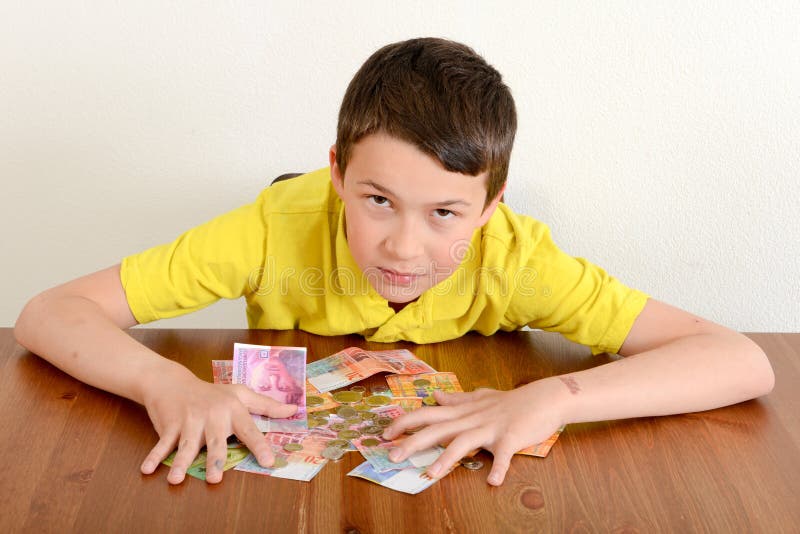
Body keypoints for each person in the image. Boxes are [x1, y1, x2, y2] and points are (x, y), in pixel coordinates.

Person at [14, 37, 774, 487]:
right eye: (376, 200)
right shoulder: (272, 229)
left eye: (444, 213)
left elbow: (741, 362)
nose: (405, 247)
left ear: (491, 204)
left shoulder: (517, 259)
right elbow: (47, 312)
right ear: (338, 173)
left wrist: (557, 397)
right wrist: (162, 381)